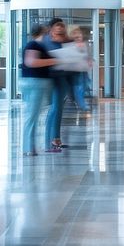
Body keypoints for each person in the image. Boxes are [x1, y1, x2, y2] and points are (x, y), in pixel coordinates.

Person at [21, 24, 55, 156]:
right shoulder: (33, 45)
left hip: (38, 82)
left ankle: (30, 147)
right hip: (35, 82)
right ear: (43, 32)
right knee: (32, 115)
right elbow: (31, 62)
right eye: (47, 32)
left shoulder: (38, 46)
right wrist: (54, 61)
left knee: (33, 115)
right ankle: (28, 148)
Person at [42, 18, 71, 152]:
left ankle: (55, 138)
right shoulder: (47, 41)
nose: (60, 29)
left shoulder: (63, 40)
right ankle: (50, 141)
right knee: (55, 109)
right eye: (57, 27)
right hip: (53, 78)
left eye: (61, 27)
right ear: (51, 28)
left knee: (57, 110)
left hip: (62, 78)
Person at [69, 26, 92, 112]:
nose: (78, 37)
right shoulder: (71, 45)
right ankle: (81, 104)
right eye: (76, 35)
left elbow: (87, 56)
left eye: (79, 35)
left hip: (83, 69)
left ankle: (79, 101)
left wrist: (89, 60)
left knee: (85, 85)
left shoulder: (85, 44)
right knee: (78, 87)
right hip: (75, 70)